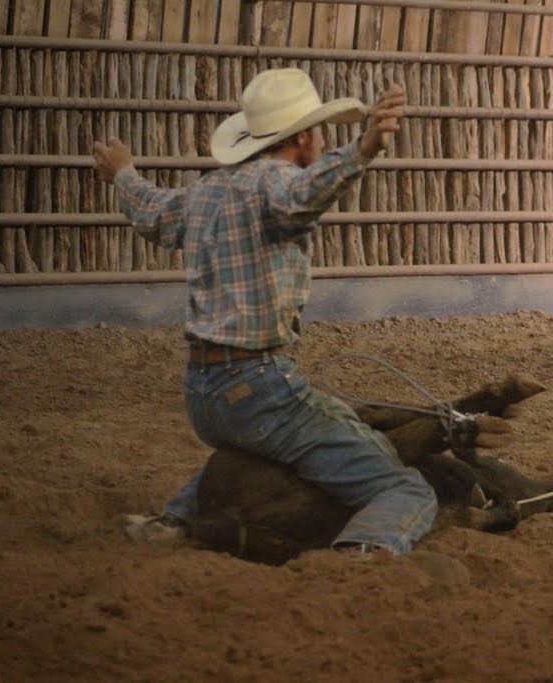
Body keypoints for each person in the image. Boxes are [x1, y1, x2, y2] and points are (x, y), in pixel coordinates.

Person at [92, 67, 438, 555]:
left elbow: (152, 210)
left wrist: (122, 173)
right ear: (303, 136)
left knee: (261, 445)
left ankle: (174, 521)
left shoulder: (206, 192)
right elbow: (303, 195)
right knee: (404, 486)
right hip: (258, 385)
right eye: (319, 131)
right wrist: (363, 149)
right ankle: (365, 551)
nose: (320, 140)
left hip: (202, 393)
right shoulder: (277, 183)